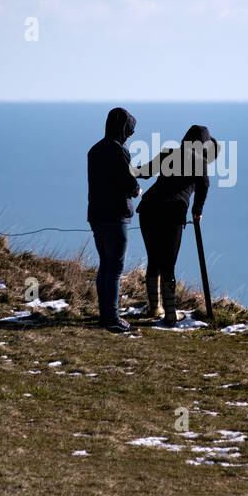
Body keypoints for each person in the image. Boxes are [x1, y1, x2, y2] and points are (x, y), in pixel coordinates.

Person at [135, 124, 216, 326]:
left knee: (154, 259)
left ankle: (155, 307)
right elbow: (204, 184)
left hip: (148, 209)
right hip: (172, 213)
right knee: (168, 263)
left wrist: (125, 170)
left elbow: (143, 172)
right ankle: (170, 314)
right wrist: (197, 210)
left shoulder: (169, 153)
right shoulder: (200, 160)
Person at [87, 107, 141, 333]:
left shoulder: (95, 150)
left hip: (96, 214)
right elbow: (127, 182)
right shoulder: (119, 151)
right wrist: (137, 190)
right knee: (115, 268)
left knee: (105, 265)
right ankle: (113, 319)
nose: (130, 136)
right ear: (123, 130)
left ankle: (105, 315)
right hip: (115, 215)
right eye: (130, 131)